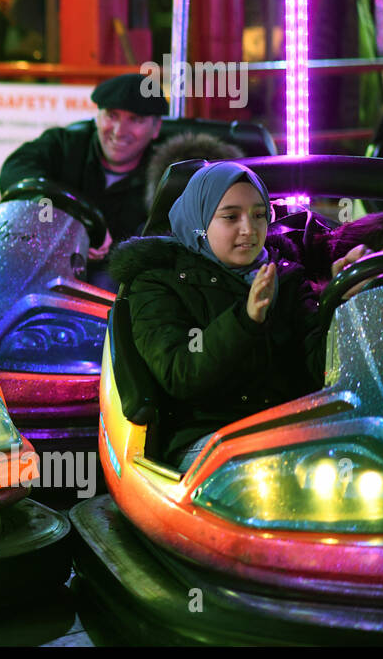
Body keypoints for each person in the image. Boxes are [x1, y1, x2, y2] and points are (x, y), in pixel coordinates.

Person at [109, 162, 331, 471]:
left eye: (258, 215)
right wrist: (246, 320)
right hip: (207, 437)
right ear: (200, 221)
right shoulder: (159, 282)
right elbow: (180, 372)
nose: (249, 229)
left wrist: (342, 304)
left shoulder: (285, 277)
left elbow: (321, 370)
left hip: (289, 431)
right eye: (230, 217)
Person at [0, 72, 167, 277]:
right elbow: (14, 171)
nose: (119, 130)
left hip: (119, 285)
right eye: (111, 115)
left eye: (135, 120)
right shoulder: (64, 144)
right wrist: (66, 220)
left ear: (156, 128)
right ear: (97, 117)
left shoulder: (167, 174)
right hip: (47, 269)